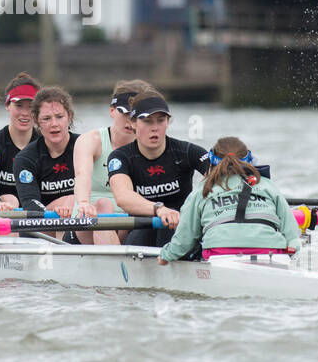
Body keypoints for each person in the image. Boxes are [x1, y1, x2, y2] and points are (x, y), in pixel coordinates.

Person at [158, 136, 300, 264]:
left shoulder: (203, 189)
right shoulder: (266, 185)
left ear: (211, 162)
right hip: (270, 252)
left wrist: (166, 255)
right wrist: (295, 249)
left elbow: (185, 239)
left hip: (220, 254)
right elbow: (291, 231)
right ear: (250, 161)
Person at [105, 88, 211, 248]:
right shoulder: (121, 157)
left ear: (167, 122)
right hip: (143, 228)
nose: (155, 128)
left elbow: (221, 182)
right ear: (133, 123)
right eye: (147, 121)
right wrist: (160, 210)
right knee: (154, 230)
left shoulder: (188, 152)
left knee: (171, 230)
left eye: (160, 120)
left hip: (182, 228)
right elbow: (123, 197)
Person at [71, 78, 148, 244]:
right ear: (112, 110)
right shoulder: (91, 140)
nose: (129, 121)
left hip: (130, 220)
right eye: (125, 113)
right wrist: (83, 202)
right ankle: (115, 262)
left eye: (135, 115)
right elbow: (82, 175)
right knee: (104, 204)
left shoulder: (150, 147)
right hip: (89, 219)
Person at [12, 87, 80, 224]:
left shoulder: (85, 147)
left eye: (59, 117)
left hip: (80, 216)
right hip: (42, 224)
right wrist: (58, 209)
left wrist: (72, 202)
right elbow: (31, 204)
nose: (54, 124)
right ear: (36, 121)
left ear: (69, 116)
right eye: (46, 118)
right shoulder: (25, 159)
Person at [0, 72, 40, 209]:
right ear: (7, 105)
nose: (25, 113)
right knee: (10, 200)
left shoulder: (46, 144)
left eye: (31, 106)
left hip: (35, 212)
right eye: (19, 106)